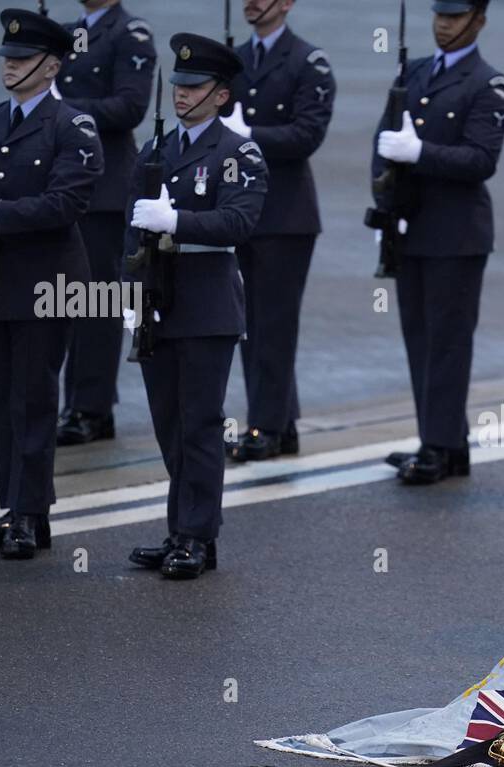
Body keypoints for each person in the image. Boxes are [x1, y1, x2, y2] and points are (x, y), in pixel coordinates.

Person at [0, 8, 103, 558]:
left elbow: (67, 203)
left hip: (49, 280)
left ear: (52, 66)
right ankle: (14, 504)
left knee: (34, 398)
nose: (10, 67)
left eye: (22, 59)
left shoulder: (73, 125)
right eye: (7, 58)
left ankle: (32, 515)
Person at [124, 32, 268, 579]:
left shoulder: (237, 152)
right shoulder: (158, 148)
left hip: (206, 302)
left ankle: (199, 538)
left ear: (222, 95)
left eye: (195, 87)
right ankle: (178, 528)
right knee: (167, 423)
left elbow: (240, 222)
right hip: (158, 296)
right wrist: (126, 290)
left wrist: (177, 223)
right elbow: (130, 226)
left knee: (200, 425)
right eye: (179, 87)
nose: (182, 96)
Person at [375, 0, 504, 485]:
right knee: (419, 338)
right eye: (439, 16)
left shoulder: (488, 84)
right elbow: (383, 139)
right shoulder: (412, 71)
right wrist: (383, 197)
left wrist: (419, 152)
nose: (443, 25)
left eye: (453, 18)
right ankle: (443, 443)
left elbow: (480, 160)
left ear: (478, 21)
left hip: (456, 234)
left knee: (447, 344)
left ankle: (438, 447)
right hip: (411, 227)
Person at [221, 0, 335, 462]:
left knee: (275, 323)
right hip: (245, 210)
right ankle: (279, 424)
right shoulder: (234, 60)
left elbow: (308, 134)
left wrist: (249, 133)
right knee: (250, 322)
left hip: (287, 215)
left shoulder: (309, 62)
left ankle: (265, 426)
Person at [55, 0, 156, 446]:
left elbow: (130, 107)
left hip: (105, 182)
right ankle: (76, 402)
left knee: (96, 302)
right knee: (69, 299)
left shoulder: (129, 33)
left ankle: (91, 409)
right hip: (67, 180)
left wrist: (64, 107)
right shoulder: (72, 29)